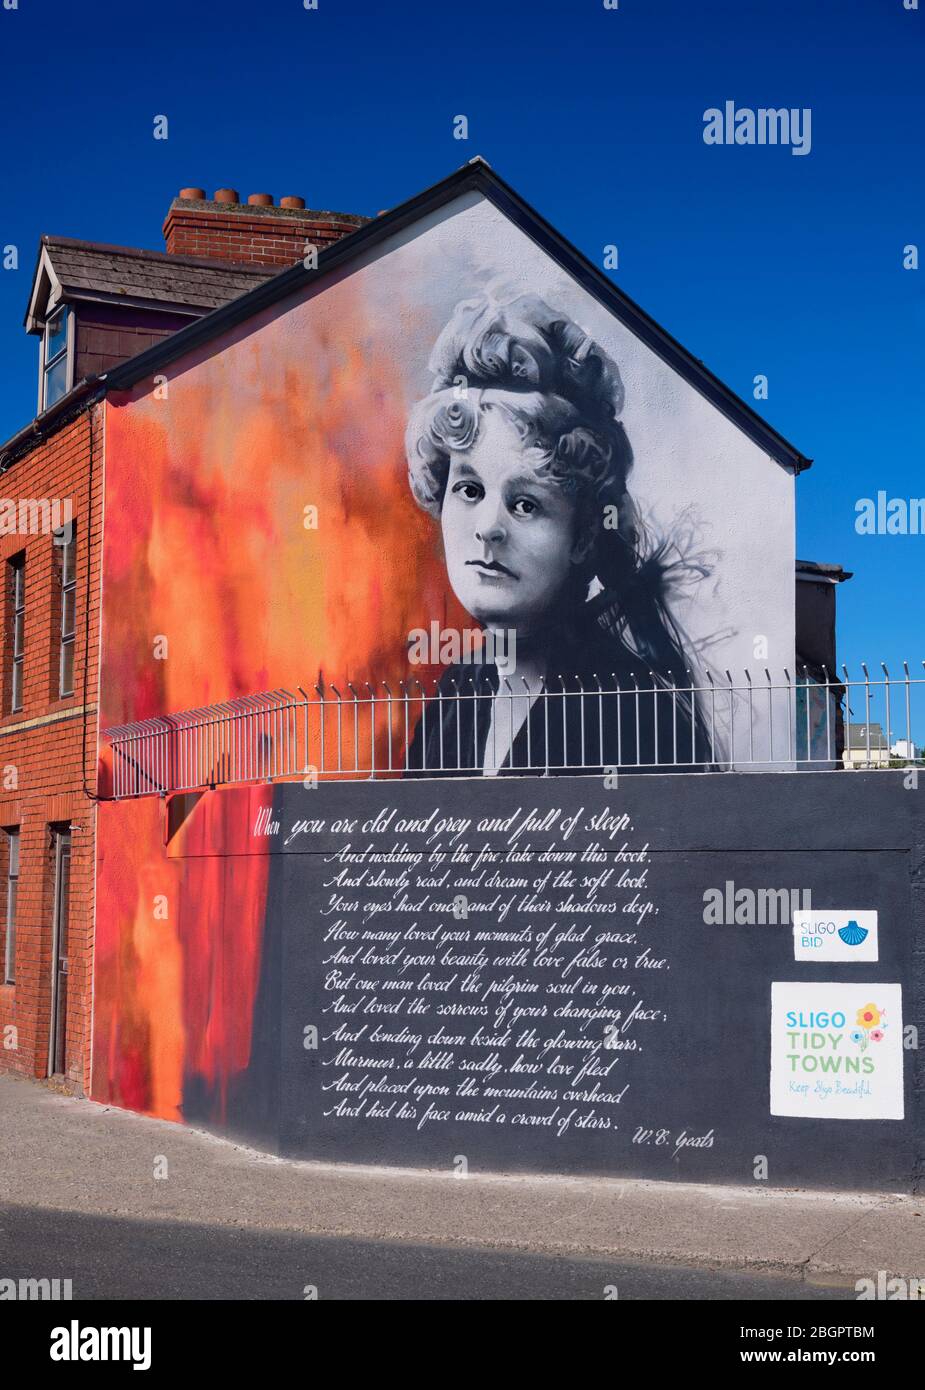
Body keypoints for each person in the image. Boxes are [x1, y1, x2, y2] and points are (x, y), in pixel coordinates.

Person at [403, 292, 712, 776]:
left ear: (584, 534)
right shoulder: (455, 695)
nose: (488, 528)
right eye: (468, 489)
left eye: (525, 504)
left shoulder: (634, 712)